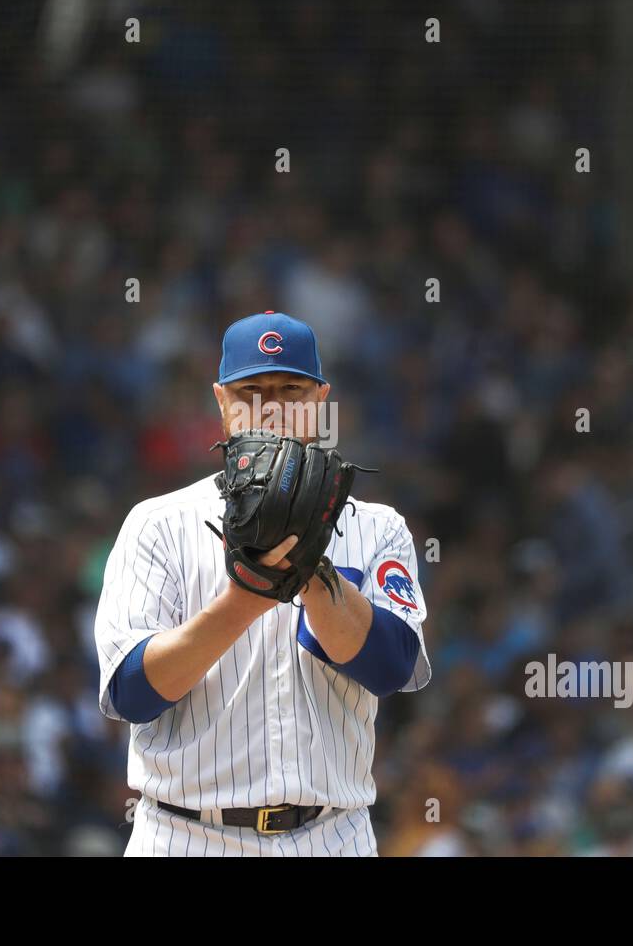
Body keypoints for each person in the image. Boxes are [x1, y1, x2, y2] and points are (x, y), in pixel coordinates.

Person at [94, 311, 431, 856]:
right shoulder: (158, 523)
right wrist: (242, 602)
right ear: (222, 402)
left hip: (330, 834)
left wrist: (312, 574)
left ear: (320, 398)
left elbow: (390, 667)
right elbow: (132, 692)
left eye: (290, 390)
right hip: (185, 834)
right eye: (251, 391)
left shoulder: (376, 527)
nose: (271, 408)